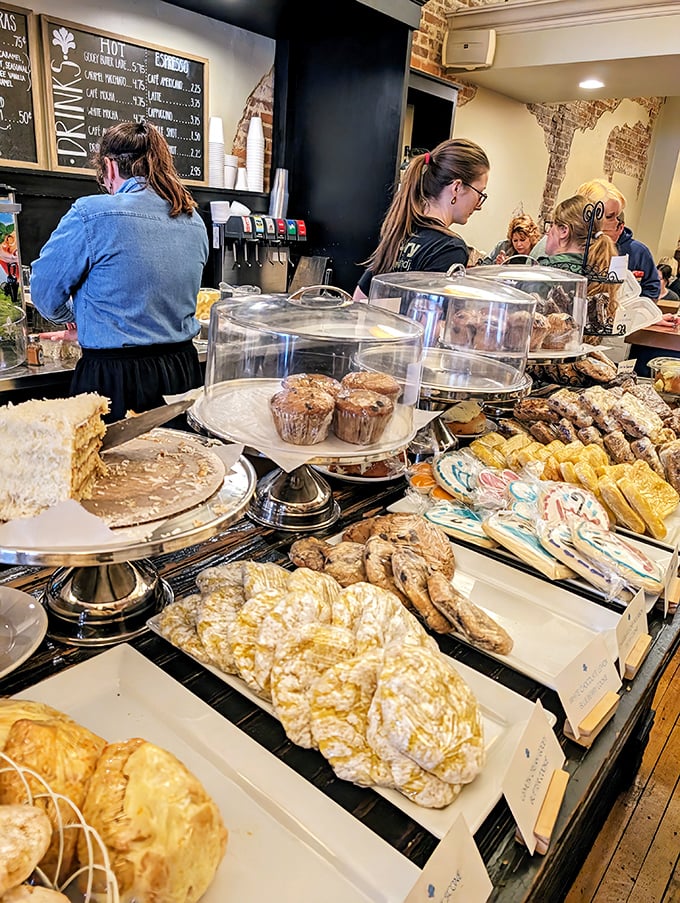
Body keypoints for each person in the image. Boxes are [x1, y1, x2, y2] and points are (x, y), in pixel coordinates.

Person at [30, 120, 209, 422]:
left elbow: (44, 293)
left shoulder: (91, 214)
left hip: (114, 378)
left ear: (110, 168)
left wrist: (79, 321)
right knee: (182, 463)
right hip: (183, 372)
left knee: (109, 466)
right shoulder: (193, 220)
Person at [353, 138, 490, 300]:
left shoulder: (400, 233)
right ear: (456, 188)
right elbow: (431, 319)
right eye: (480, 194)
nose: (479, 205)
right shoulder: (449, 248)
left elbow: (359, 298)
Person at [539, 194, 619, 330]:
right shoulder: (599, 268)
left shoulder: (546, 272)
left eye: (551, 225)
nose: (548, 232)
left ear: (564, 231)